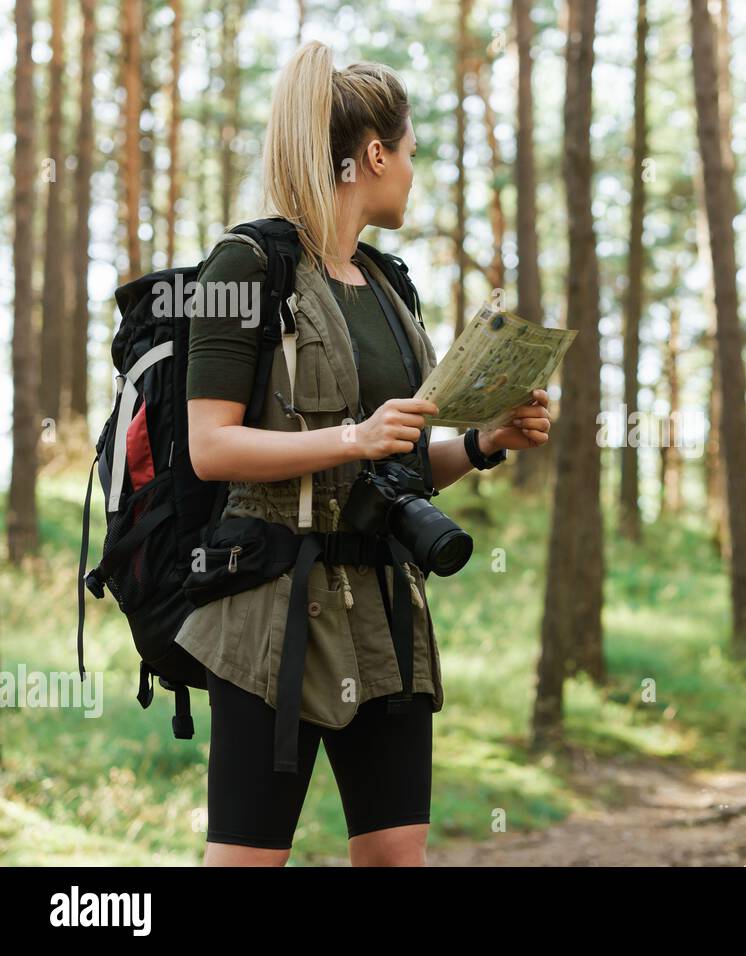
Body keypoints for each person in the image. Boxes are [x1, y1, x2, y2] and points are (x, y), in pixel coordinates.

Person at [177, 40, 551, 867]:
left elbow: (403, 468)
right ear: (375, 154)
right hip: (271, 612)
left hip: (386, 613)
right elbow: (210, 447)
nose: (413, 172)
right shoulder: (246, 263)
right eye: (410, 153)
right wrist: (351, 436)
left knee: (393, 856)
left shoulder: (390, 287)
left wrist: (484, 444)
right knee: (245, 861)